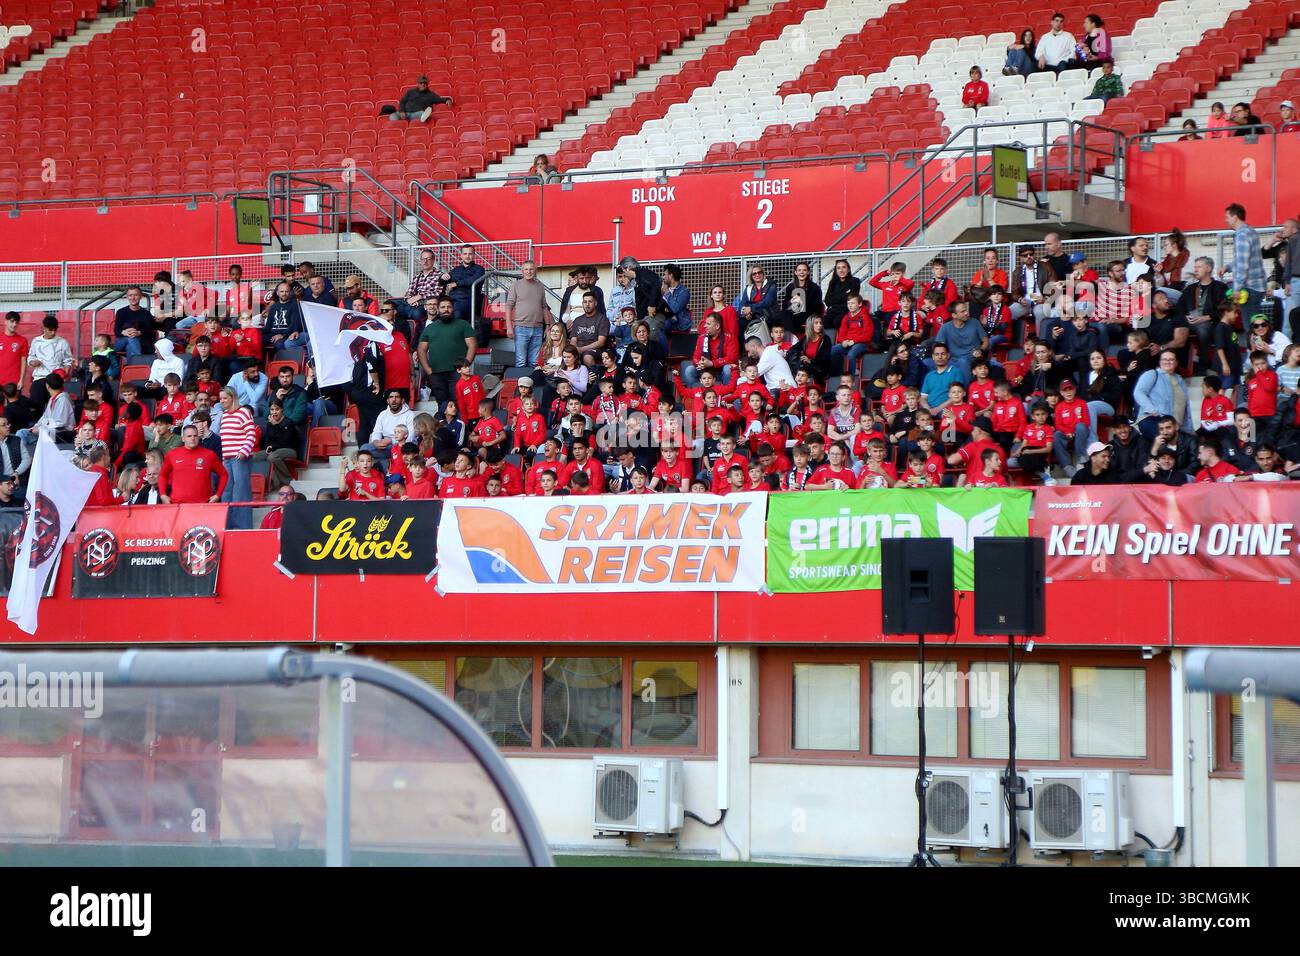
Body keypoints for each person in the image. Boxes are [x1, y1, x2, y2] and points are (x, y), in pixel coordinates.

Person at [418, 296, 476, 410]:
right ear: (438, 309)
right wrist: (428, 370)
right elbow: (421, 350)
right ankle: (444, 427)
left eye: (449, 307)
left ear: (453, 309)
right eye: (443, 307)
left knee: (459, 403)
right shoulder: (430, 328)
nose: (446, 309)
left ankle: (460, 427)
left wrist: (465, 365)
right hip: (436, 374)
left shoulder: (463, 324)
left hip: (457, 372)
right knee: (442, 405)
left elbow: (472, 345)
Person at [218, 388, 256, 528]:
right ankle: (227, 525)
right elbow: (224, 440)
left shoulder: (243, 412)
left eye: (224, 398)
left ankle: (243, 527)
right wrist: (223, 458)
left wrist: (243, 451)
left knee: (241, 491)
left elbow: (251, 434)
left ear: (232, 398)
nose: (222, 401)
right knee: (227, 491)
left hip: (240, 458)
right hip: (227, 458)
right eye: (220, 398)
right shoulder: (225, 415)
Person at [160, 424, 227, 503]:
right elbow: (162, 475)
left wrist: (218, 495)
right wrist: (162, 494)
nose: (193, 438)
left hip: (203, 505)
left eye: (195, 436)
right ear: (183, 438)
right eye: (189, 436)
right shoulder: (172, 454)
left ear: (198, 437)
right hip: (178, 504)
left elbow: (224, 475)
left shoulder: (209, 455)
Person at [1133, 350, 1191, 439]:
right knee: (1164, 444)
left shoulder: (1180, 380)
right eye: (1164, 359)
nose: (1167, 361)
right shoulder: (1152, 374)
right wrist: (1152, 410)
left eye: (1171, 359)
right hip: (1153, 419)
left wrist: (1188, 429)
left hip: (1174, 425)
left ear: (1176, 363)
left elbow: (1185, 407)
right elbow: (1139, 392)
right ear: (1160, 362)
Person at [505, 260, 551, 369]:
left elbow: (544, 307)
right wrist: (509, 327)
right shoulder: (516, 285)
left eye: (531, 269)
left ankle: (532, 385)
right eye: (526, 269)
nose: (528, 271)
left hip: (538, 328)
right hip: (521, 327)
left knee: (534, 362)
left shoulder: (540, 286)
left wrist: (548, 326)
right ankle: (521, 386)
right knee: (521, 361)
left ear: (535, 271)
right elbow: (509, 306)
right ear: (522, 271)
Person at [26, 316, 74, 406]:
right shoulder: (36, 341)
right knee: (36, 406)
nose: (53, 333)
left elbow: (68, 361)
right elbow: (30, 357)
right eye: (50, 330)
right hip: (39, 378)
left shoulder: (63, 342)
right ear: (44, 328)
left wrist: (65, 372)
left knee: (55, 406)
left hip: (55, 379)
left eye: (55, 330)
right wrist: (33, 362)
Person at [447, 244, 488, 341]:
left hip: (469, 299)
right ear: (461, 255)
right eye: (465, 254)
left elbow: (473, 280)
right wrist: (443, 277)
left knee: (456, 312)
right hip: (453, 298)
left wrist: (457, 283)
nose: (467, 256)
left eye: (470, 254)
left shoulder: (479, 269)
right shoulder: (455, 270)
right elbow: (446, 282)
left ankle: (455, 340)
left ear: (474, 255)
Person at [385, 75, 452, 122]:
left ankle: (421, 120)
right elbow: (402, 101)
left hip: (417, 114)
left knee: (422, 113)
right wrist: (402, 111)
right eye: (421, 83)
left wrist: (447, 100)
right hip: (405, 113)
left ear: (427, 84)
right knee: (393, 116)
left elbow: (440, 99)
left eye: (425, 83)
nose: (423, 84)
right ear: (418, 84)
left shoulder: (431, 94)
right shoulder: (410, 92)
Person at [823, 258, 861, 330]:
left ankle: (840, 340)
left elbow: (851, 298)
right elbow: (827, 301)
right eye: (838, 268)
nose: (841, 270)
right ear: (836, 270)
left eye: (844, 267)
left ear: (848, 269)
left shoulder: (855, 281)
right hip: (833, 311)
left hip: (847, 310)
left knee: (837, 321)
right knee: (823, 322)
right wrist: (844, 295)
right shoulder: (833, 283)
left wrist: (834, 298)